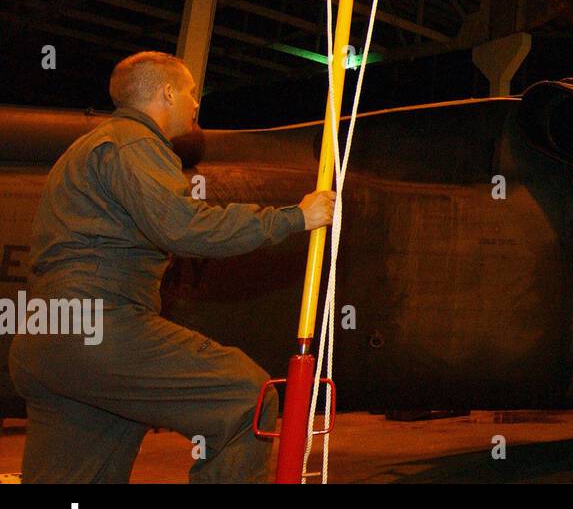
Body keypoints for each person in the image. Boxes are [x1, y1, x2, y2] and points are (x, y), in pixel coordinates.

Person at [8, 51, 336, 483]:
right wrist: (295, 217)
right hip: (98, 328)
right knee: (245, 398)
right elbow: (183, 226)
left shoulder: (87, 148)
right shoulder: (136, 143)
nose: (196, 104)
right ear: (166, 92)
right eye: (190, 92)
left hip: (48, 341)